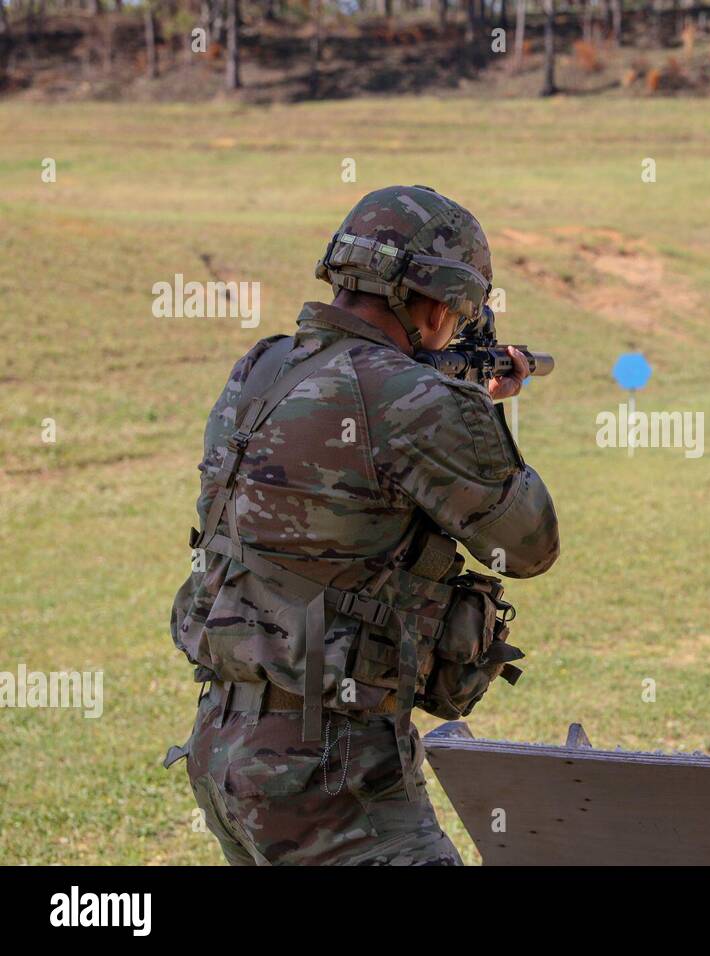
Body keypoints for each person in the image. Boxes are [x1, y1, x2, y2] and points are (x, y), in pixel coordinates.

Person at [166, 185, 560, 865]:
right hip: (332, 767)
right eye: (459, 314)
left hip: (226, 739)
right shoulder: (420, 401)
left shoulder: (261, 369)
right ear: (437, 301)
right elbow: (528, 546)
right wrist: (473, 409)